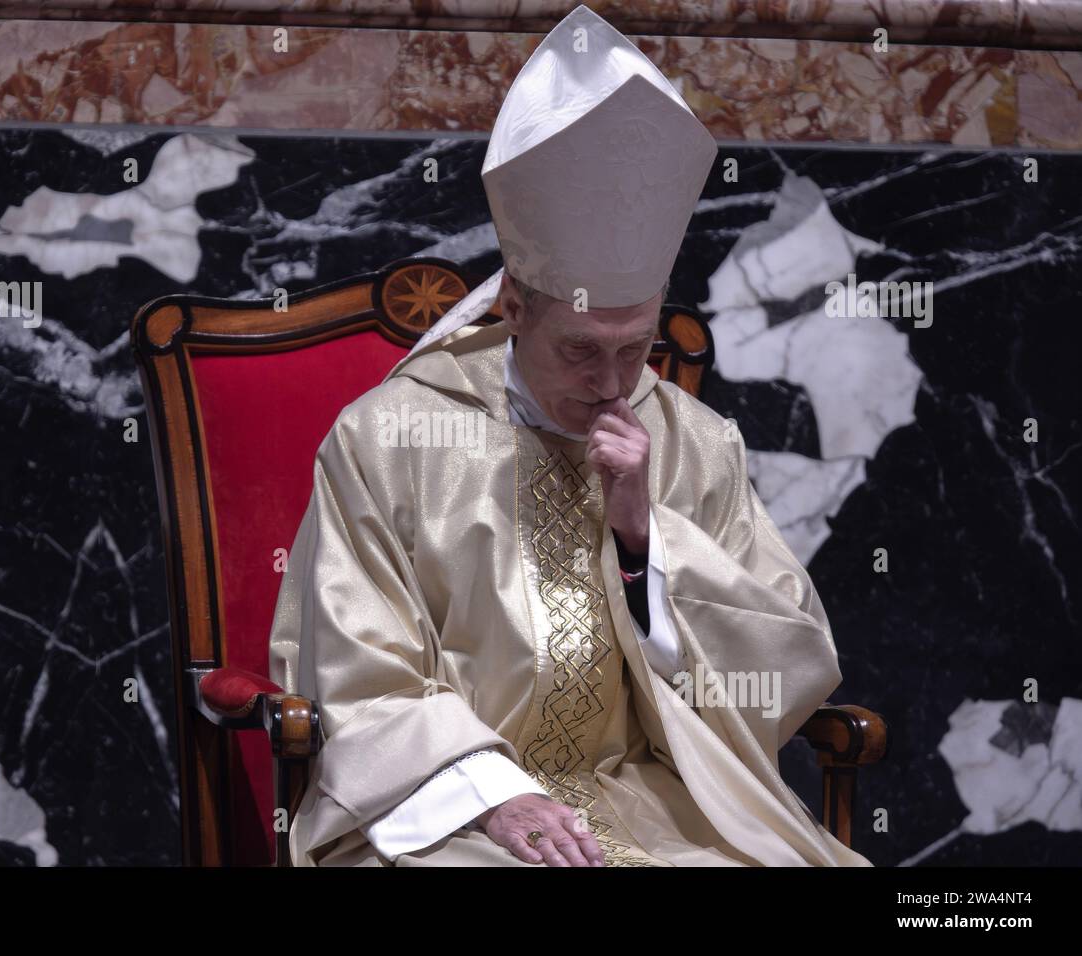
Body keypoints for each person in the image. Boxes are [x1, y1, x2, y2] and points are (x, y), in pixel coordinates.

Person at [267, 3, 872, 867]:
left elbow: (782, 666)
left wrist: (646, 541)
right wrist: (494, 791)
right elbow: (355, 672)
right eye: (582, 350)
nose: (614, 384)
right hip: (453, 805)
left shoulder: (693, 442)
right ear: (513, 308)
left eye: (637, 350)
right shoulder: (390, 439)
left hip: (657, 798)